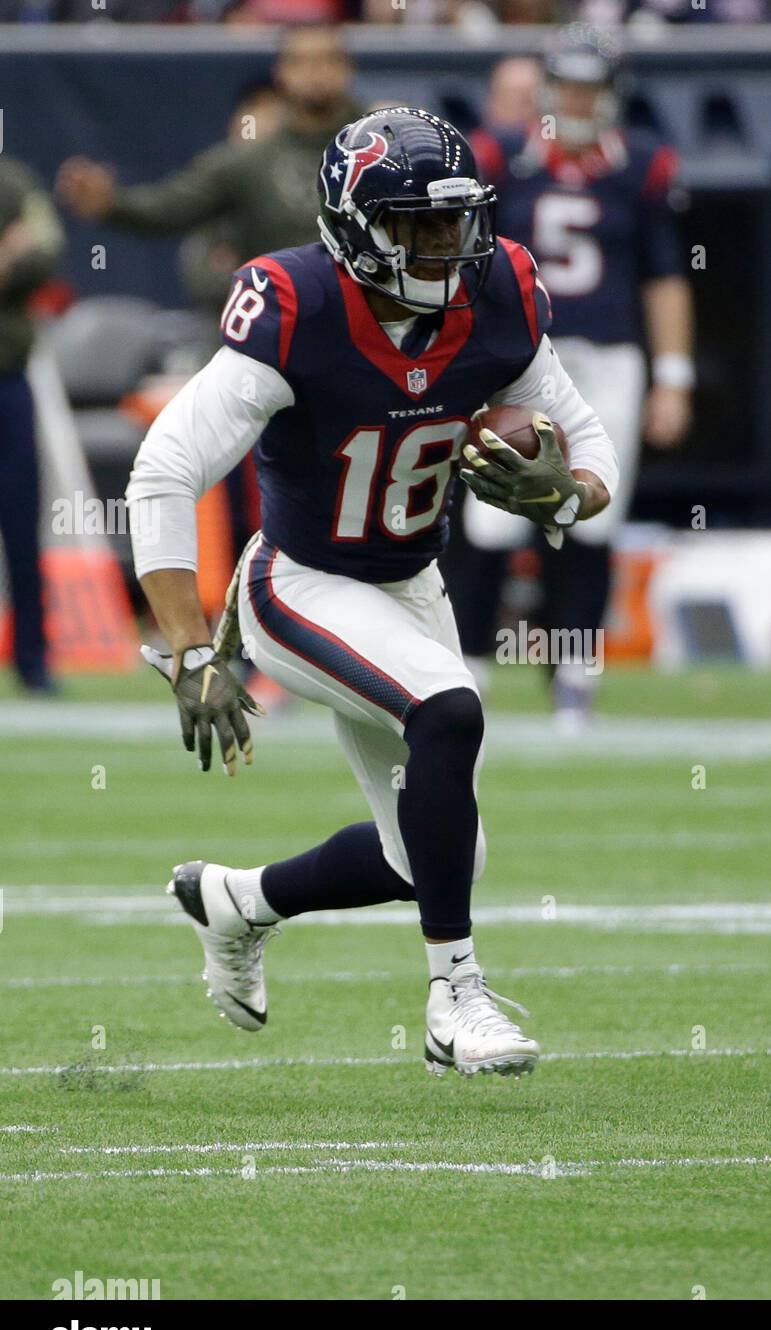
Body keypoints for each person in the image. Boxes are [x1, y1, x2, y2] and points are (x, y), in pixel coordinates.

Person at [124, 109, 618, 1079]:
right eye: (414, 226)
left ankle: (236, 900)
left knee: (433, 857)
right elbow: (164, 470)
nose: (442, 246)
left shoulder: (502, 292)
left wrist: (565, 493)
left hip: (407, 582)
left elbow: (590, 445)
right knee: (450, 707)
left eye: (452, 223)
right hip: (298, 583)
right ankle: (454, 998)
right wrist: (188, 650)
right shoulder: (297, 304)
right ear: (353, 226)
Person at [452, 27, 693, 728]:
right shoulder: (502, 159)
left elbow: (666, 277)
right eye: (571, 85)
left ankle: (574, 676)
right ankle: (467, 670)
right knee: (489, 516)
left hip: (608, 361)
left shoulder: (641, 167)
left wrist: (674, 376)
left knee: (589, 513)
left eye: (593, 87)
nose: (581, 100)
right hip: (517, 357)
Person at [55, 23, 359, 275]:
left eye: (327, 59)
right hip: (283, 324)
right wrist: (113, 205)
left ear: (347, 69)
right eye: (302, 61)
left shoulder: (384, 150)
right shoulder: (248, 161)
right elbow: (170, 207)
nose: (315, 72)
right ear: (281, 72)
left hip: (371, 324)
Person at [0, 156, 64, 694]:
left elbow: (46, 248)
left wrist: (17, 261)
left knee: (22, 522)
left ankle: (33, 659)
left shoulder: (15, 181)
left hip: (7, 377)